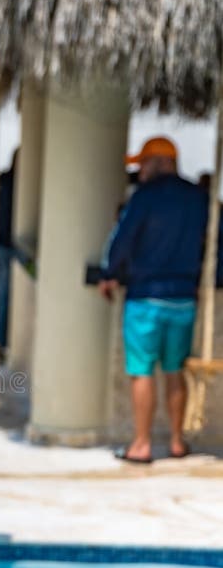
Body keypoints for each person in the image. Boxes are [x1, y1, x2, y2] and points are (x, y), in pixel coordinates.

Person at [99, 136, 211, 463]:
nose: (140, 171)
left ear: (162, 163)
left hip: (145, 298)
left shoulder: (144, 197)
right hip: (183, 300)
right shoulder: (198, 198)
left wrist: (110, 273)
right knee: (175, 371)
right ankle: (177, 441)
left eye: (144, 163)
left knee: (142, 372)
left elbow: (123, 240)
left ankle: (141, 445)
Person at [0, 149, 32, 356]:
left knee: (7, 293)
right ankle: (1, 342)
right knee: (6, 294)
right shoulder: (9, 181)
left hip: (5, 243)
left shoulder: (1, 180)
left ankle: (3, 341)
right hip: (4, 244)